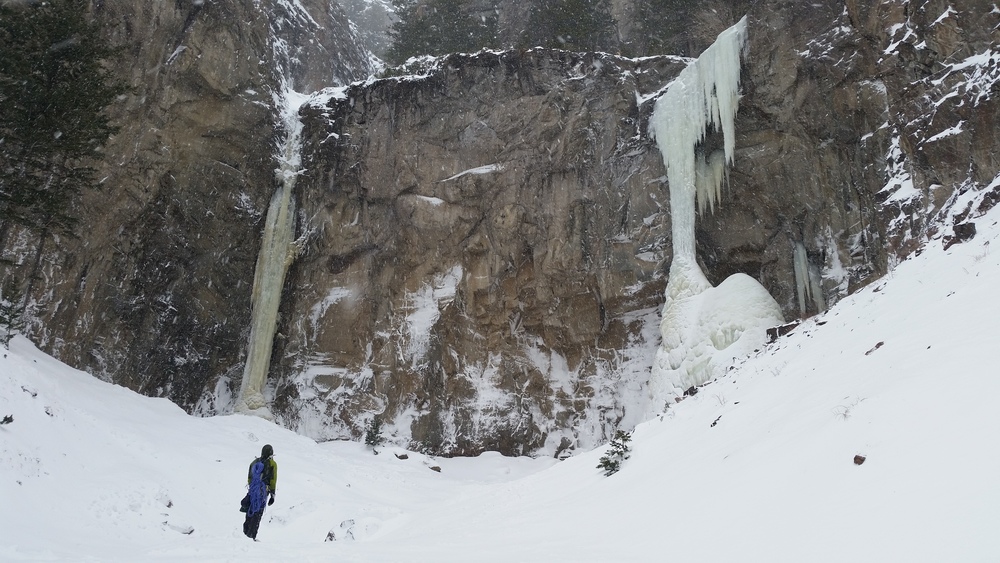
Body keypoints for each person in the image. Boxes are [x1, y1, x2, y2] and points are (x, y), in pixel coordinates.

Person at [243, 444, 277, 540]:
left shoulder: (254, 462)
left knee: (250, 511)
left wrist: (253, 488)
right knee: (258, 514)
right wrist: (272, 495)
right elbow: (273, 480)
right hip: (262, 492)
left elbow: (249, 477)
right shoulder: (272, 464)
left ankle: (245, 534)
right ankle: (252, 536)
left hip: (252, 491)